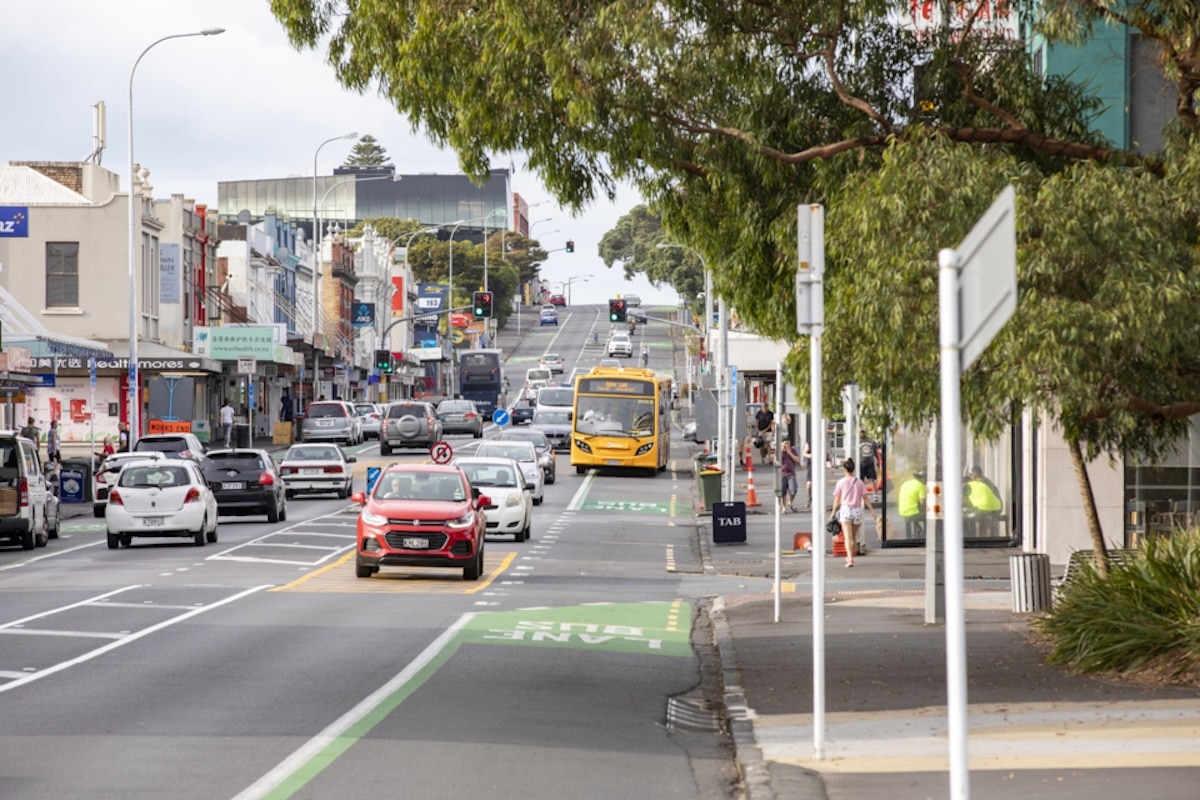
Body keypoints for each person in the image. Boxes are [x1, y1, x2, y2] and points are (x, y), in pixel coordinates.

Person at [829, 458, 877, 568]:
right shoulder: (859, 482)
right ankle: (851, 554)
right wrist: (872, 511)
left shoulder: (841, 482)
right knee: (853, 536)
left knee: (848, 537)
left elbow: (837, 500)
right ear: (853, 469)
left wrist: (833, 513)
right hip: (857, 511)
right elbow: (865, 498)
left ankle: (850, 559)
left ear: (844, 469)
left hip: (846, 510)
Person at [898, 470, 927, 538]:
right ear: (922, 478)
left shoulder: (906, 483)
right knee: (928, 516)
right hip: (912, 512)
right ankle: (926, 535)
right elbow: (922, 502)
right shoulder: (920, 485)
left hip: (902, 511)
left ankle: (912, 534)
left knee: (914, 514)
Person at [778, 438, 800, 513]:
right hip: (782, 473)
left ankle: (791, 502)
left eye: (788, 443)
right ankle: (783, 507)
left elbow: (797, 460)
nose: (787, 445)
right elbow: (776, 461)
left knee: (793, 489)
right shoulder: (779, 451)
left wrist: (789, 453)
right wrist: (781, 451)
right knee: (782, 492)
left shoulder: (792, 450)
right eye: (785, 443)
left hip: (791, 473)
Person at [802, 441, 814, 509]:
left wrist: (831, 466)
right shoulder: (809, 443)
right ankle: (809, 497)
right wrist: (809, 455)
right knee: (809, 484)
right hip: (811, 465)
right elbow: (804, 453)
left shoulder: (823, 443)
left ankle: (817, 499)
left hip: (820, 465)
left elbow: (828, 454)